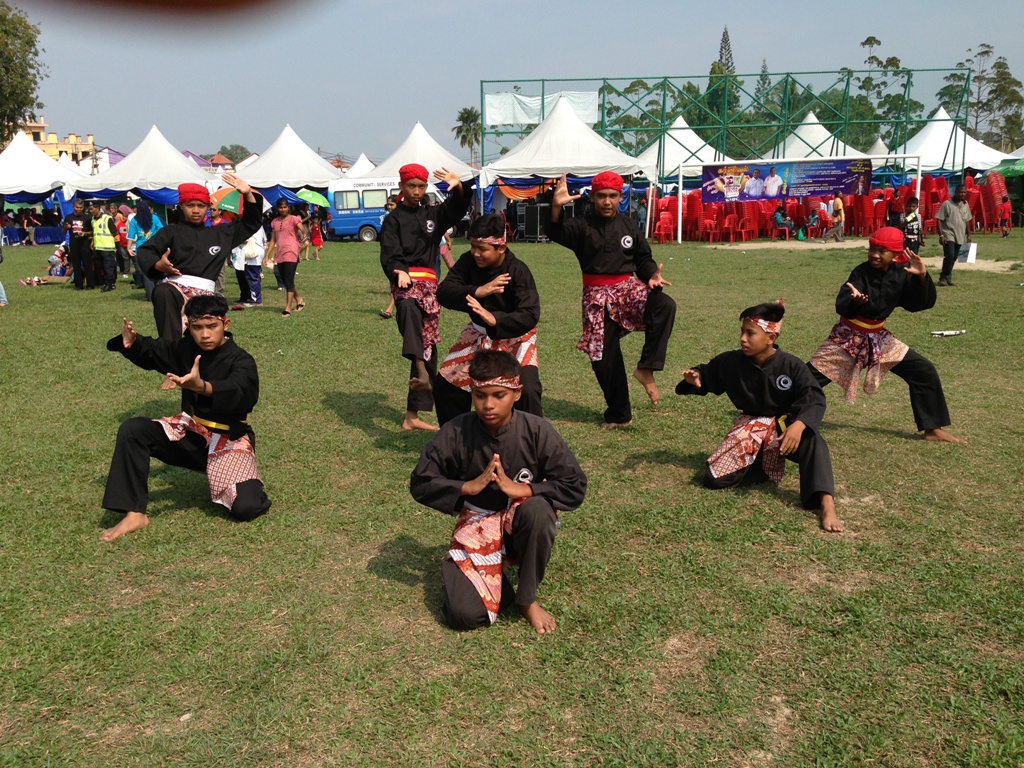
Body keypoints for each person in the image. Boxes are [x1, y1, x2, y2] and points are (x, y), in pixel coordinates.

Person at [410, 350, 587, 633]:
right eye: (480, 396)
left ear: (516, 393)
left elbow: (575, 485)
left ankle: (527, 599)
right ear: (472, 392)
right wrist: (467, 487)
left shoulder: (537, 431)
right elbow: (420, 482)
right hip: (477, 524)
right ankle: (493, 579)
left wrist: (524, 489)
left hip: (521, 525)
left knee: (538, 509)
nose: (488, 405)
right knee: (463, 615)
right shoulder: (455, 431)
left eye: (498, 395)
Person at [99, 294, 271, 542]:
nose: (204, 335)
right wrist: (133, 342)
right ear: (188, 327)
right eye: (197, 327)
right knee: (134, 430)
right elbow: (157, 350)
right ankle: (135, 513)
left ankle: (248, 483)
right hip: (191, 436)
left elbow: (242, 392)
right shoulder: (185, 348)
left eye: (212, 326)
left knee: (246, 508)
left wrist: (202, 386)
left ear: (226, 323)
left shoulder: (241, 360)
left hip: (229, 441)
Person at [677, 301, 843, 532]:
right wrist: (695, 379)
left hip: (785, 426)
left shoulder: (791, 365)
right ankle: (761, 468)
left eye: (750, 333)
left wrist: (800, 425)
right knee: (714, 480)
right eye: (742, 332)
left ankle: (826, 503)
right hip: (751, 427)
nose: (743, 338)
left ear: (770, 338)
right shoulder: (731, 362)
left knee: (812, 440)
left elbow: (814, 397)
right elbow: (707, 374)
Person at [544, 171, 676, 428]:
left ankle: (647, 367)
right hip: (595, 297)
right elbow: (555, 230)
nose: (607, 201)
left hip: (627, 290)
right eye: (601, 196)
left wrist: (651, 276)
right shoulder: (581, 226)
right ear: (593, 197)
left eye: (613, 196)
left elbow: (643, 259)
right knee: (603, 358)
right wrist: (556, 207)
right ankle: (619, 413)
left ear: (620, 196)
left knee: (664, 304)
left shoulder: (629, 227)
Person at [807, 226, 963, 443]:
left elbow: (920, 304)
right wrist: (855, 302)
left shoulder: (902, 274)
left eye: (882, 251)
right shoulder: (861, 272)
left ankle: (932, 429)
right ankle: (770, 411)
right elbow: (843, 302)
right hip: (848, 337)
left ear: (896, 254)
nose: (875, 255)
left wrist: (922, 278)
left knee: (922, 370)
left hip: (878, 339)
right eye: (872, 249)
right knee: (807, 379)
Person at [380, 164, 474, 431]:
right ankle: (421, 368)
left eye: (421, 186)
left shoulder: (433, 214)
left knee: (429, 344)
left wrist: (459, 187)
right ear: (401, 186)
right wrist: (398, 270)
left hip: (430, 286)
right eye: (412, 186)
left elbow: (457, 209)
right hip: (406, 281)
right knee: (408, 309)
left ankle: (412, 416)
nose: (417, 191)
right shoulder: (393, 219)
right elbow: (389, 250)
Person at [435, 213, 543, 426]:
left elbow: (530, 313)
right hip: (478, 333)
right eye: (473, 246)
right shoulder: (468, 261)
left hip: (516, 338)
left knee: (527, 390)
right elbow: (444, 292)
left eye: (482, 249)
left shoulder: (518, 270)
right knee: (447, 385)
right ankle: (458, 440)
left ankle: (531, 443)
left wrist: (495, 320)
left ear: (500, 247)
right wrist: (477, 291)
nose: (475, 253)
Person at [137, 174, 263, 341]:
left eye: (201, 206)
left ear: (208, 206)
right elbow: (146, 250)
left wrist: (247, 194)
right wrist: (159, 265)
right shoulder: (170, 232)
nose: (196, 210)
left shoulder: (221, 234)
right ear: (181, 206)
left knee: (206, 342)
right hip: (175, 288)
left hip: (205, 295)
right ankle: (170, 350)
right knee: (163, 291)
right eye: (190, 205)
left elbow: (250, 224)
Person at [265, 198, 307, 316]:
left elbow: (302, 229)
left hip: (291, 251)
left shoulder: (294, 219)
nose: (283, 209)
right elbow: (273, 240)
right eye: (281, 207)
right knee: (285, 280)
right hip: (280, 253)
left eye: (285, 207)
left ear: (288, 207)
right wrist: (267, 255)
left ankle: (287, 308)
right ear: (277, 208)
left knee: (288, 280)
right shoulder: (275, 222)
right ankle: (299, 300)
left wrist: (304, 234)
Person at [934, 184, 971, 287]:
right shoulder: (947, 204)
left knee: (954, 257)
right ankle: (943, 278)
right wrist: (941, 235)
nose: (963, 194)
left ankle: (948, 278)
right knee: (949, 255)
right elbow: (939, 220)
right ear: (955, 192)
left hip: (960, 235)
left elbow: (967, 220)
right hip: (948, 233)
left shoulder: (965, 204)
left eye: (964, 192)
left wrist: (969, 234)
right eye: (960, 192)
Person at [127, 199, 164, 296]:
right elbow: (162, 231)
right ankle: (159, 292)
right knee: (158, 270)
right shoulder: (154, 218)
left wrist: (129, 248)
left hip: (141, 249)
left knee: (146, 272)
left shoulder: (134, 220)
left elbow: (131, 236)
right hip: (155, 247)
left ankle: (150, 294)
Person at [63, 198, 94, 290]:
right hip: (74, 243)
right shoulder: (69, 217)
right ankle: (78, 284)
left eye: (81, 207)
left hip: (84, 243)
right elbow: (64, 231)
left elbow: (92, 231)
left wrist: (85, 233)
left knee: (87, 264)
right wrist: (66, 227)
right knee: (76, 264)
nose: (79, 209)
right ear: (73, 207)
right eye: (77, 207)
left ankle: (90, 284)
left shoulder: (87, 217)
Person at [89, 200, 118, 292]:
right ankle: (108, 282)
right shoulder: (93, 220)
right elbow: (95, 232)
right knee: (101, 267)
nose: (90, 211)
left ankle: (109, 284)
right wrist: (93, 242)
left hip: (107, 247)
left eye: (92, 209)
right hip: (98, 247)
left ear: (97, 208)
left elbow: (114, 232)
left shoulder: (107, 218)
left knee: (108, 267)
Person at [379, 195, 399, 318]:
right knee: (393, 284)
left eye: (392, 204)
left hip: (399, 256)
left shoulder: (401, 218)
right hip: (389, 255)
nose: (389, 207)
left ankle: (390, 309)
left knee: (396, 283)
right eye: (388, 205)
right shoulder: (388, 218)